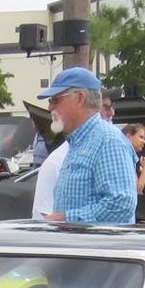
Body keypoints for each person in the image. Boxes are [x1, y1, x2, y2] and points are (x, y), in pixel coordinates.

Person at [39, 67, 138, 227]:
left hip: (100, 250)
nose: (50, 107)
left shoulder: (108, 140)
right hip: (79, 249)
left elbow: (121, 204)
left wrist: (65, 218)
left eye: (55, 100)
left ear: (80, 98)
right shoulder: (79, 143)